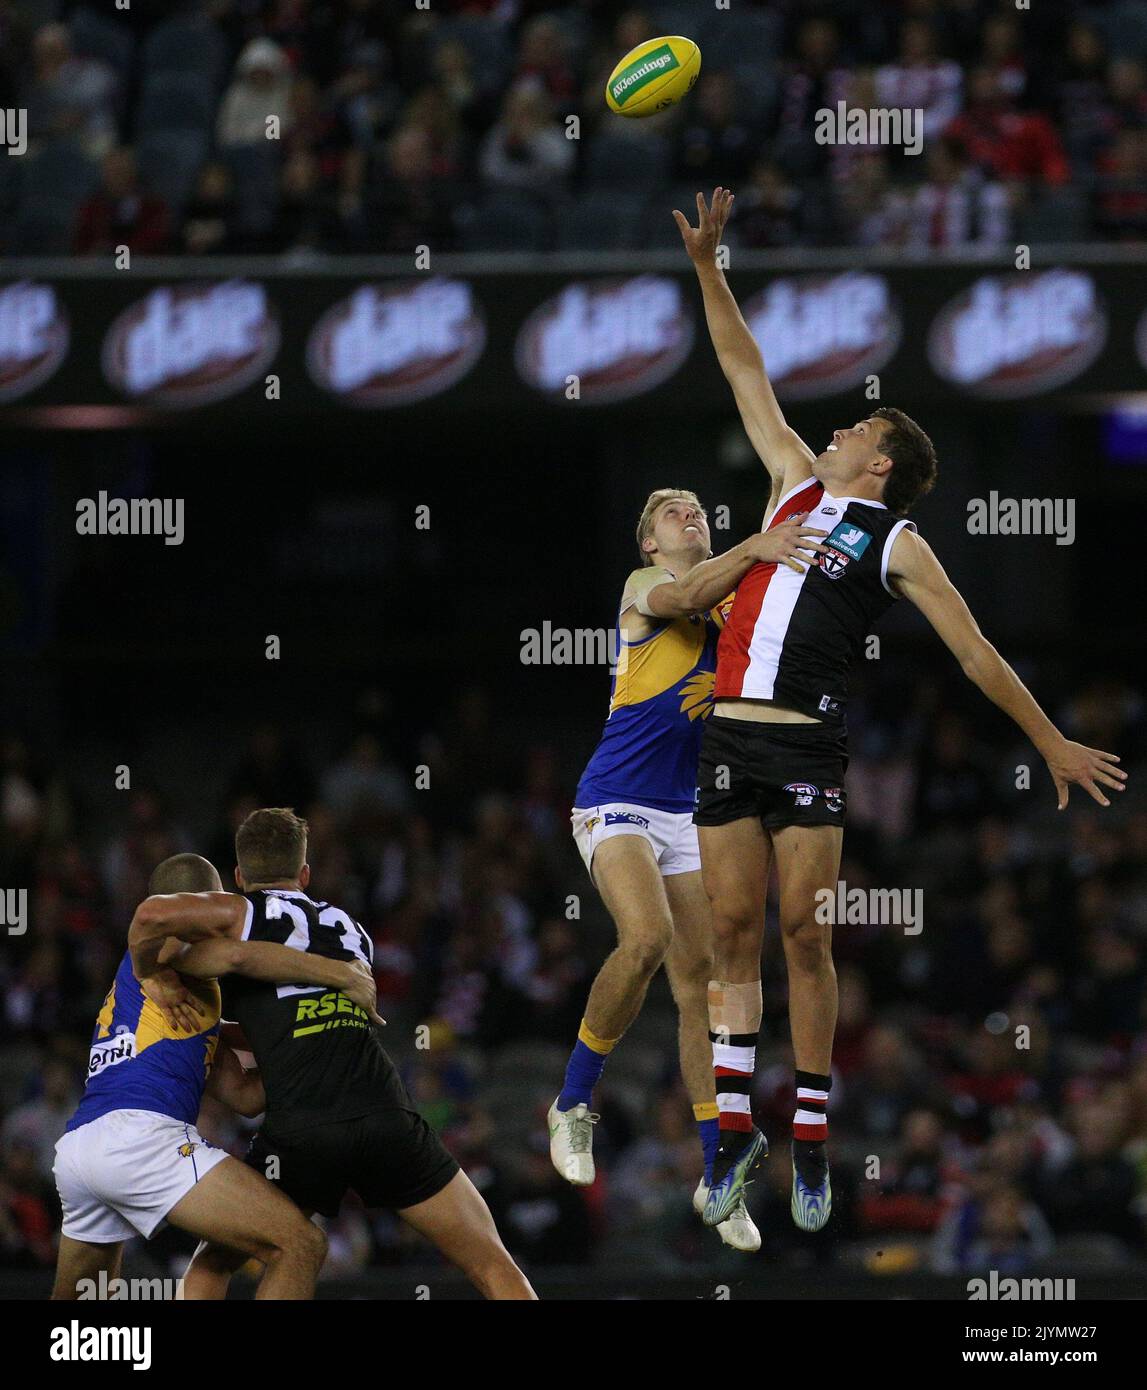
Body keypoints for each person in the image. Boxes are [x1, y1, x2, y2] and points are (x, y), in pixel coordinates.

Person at [675, 187, 1126, 1234]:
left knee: (804, 937)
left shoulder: (896, 542)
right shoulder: (787, 482)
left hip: (807, 750)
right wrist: (708, 267)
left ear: (879, 464)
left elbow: (973, 654)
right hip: (728, 735)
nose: (831, 428)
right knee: (731, 933)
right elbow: (743, 364)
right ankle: (735, 1135)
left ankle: (816, 1134)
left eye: (855, 427)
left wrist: (1046, 737)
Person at [552, 491, 828, 1251]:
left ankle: (719, 1168)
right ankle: (573, 1104)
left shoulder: (738, 596)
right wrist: (759, 546)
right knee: (643, 938)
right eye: (672, 512)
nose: (691, 515)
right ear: (647, 540)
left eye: (698, 508)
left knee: (703, 990)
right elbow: (683, 595)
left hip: (687, 809)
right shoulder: (643, 589)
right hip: (615, 799)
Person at [154, 808, 535, 1299]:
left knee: (213, 1264)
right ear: (305, 873)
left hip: (302, 1130)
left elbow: (191, 953)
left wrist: (167, 980)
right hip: (383, 1112)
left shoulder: (236, 916)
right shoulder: (352, 928)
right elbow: (309, 1015)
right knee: (490, 1261)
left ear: (238, 878)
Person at [51, 852, 380, 1300]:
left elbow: (245, 1096)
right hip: (141, 1139)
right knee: (301, 1244)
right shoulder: (170, 944)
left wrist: (309, 1052)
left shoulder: (170, 997)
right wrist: (340, 974)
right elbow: (242, 955)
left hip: (81, 1150)